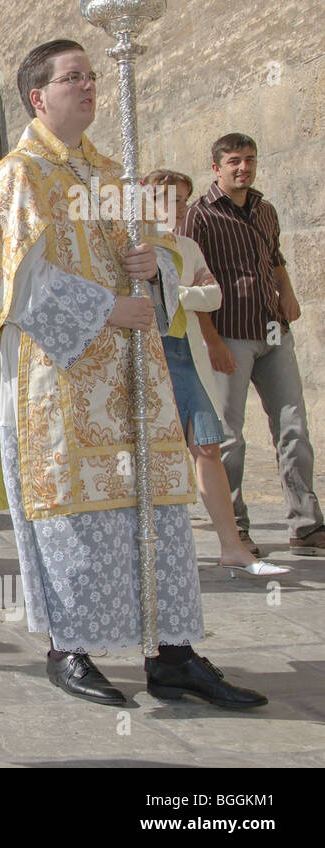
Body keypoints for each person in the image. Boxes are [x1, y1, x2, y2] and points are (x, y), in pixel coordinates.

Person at [0, 38, 266, 709]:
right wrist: (109, 306)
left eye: (92, 76)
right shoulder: (17, 177)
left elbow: (155, 264)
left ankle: (173, 653)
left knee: (157, 513)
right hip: (56, 387)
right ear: (39, 96)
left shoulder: (115, 175)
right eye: (73, 78)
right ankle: (70, 649)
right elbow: (11, 287)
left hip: (132, 384)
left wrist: (157, 270)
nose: (88, 86)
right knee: (77, 522)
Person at [176, 134, 324, 557]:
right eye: (235, 161)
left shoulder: (264, 209)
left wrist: (288, 293)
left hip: (274, 332)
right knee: (228, 437)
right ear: (217, 168)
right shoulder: (199, 217)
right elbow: (193, 278)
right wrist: (212, 342)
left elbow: (274, 257)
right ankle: (236, 526)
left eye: (250, 160)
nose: (244, 168)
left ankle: (305, 524)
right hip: (230, 336)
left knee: (294, 428)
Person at [144, 168, 287, 578]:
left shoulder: (186, 247)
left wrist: (173, 291)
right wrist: (181, 293)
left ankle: (232, 546)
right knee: (152, 454)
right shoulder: (132, 246)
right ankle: (154, 551)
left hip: (187, 355)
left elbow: (214, 295)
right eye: (169, 200)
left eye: (183, 201)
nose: (178, 208)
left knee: (208, 448)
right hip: (151, 360)